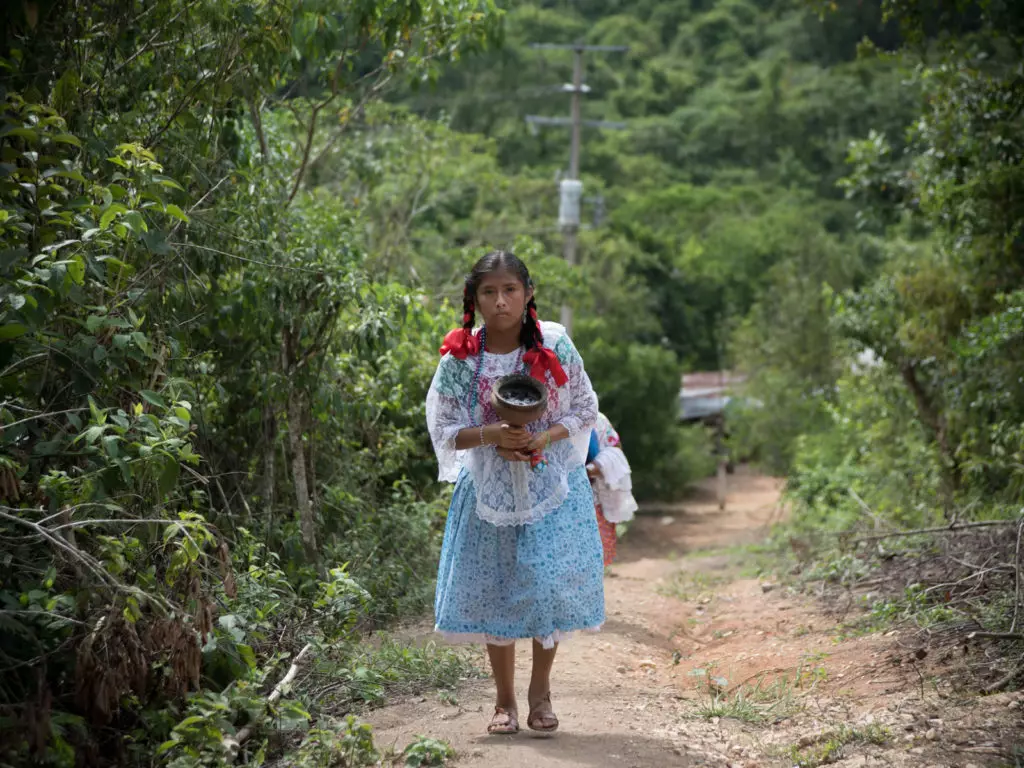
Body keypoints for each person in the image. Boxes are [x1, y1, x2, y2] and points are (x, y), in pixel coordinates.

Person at [426, 250, 603, 736]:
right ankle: (503, 701)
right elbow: (443, 429)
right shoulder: (461, 357)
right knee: (497, 591)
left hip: (551, 488)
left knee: (547, 587)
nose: (500, 301)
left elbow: (585, 405)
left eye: (509, 290)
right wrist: (493, 437)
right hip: (488, 492)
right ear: (474, 299)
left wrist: (542, 438)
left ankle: (539, 691)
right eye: (489, 292)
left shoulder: (554, 344)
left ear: (528, 295)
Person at [585, 412, 639, 566]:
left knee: (593, 561)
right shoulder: (542, 419)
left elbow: (616, 450)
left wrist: (588, 471)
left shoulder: (596, 419)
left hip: (593, 498)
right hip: (552, 503)